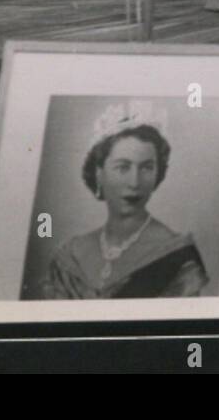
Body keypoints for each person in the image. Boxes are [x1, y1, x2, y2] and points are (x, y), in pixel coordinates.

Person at [42, 102, 208, 299]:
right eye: (122, 167)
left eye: (146, 168)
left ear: (158, 174)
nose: (135, 182)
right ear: (99, 174)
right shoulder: (70, 255)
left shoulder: (176, 255)